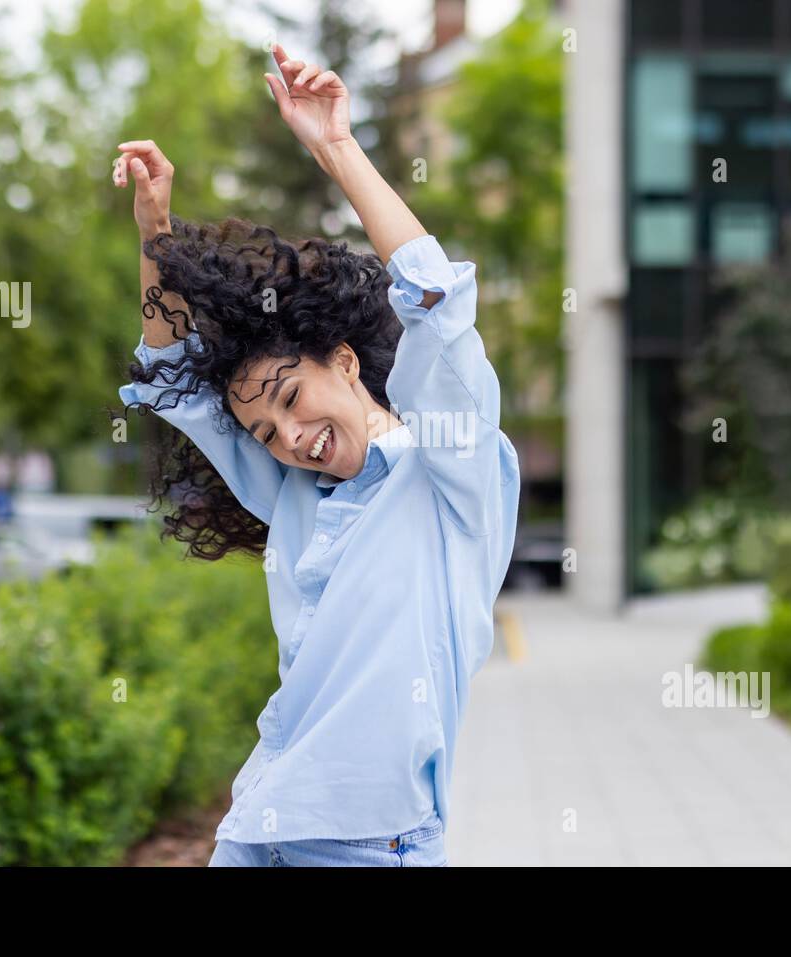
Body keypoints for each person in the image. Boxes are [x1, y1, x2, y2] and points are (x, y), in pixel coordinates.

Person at [112, 42, 520, 867]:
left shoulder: (450, 474)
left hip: (374, 842)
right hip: (259, 819)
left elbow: (439, 303)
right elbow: (170, 384)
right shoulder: (294, 492)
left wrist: (336, 147)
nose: (290, 439)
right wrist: (156, 232)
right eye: (265, 434)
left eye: (292, 401)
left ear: (342, 359)